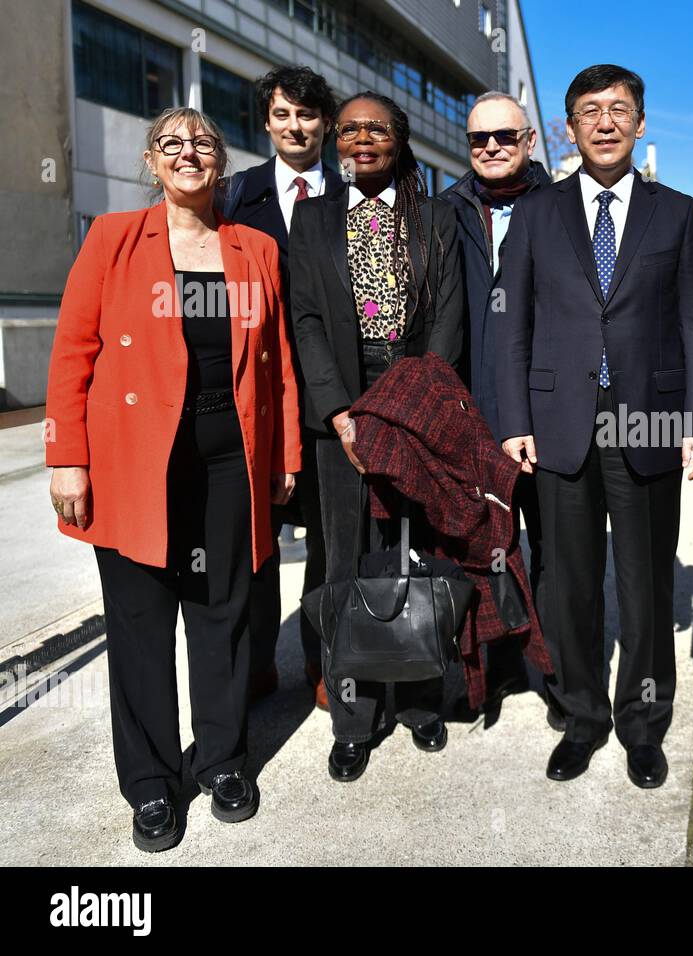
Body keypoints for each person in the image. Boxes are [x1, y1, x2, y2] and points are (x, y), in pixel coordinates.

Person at [44, 107, 301, 852]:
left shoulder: (253, 247)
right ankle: (152, 784)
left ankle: (223, 762)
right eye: (173, 143)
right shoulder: (113, 239)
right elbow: (73, 353)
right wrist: (67, 455)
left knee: (223, 616)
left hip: (228, 458)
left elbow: (276, 362)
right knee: (140, 626)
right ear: (152, 162)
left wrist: (283, 455)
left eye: (204, 143)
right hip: (135, 461)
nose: (190, 153)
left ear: (221, 161)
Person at [495, 64, 693, 788]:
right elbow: (511, 327)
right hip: (558, 424)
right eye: (589, 110)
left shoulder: (676, 212)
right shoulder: (535, 213)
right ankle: (583, 716)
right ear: (568, 126)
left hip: (650, 423)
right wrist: (513, 420)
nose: (604, 122)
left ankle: (644, 724)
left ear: (641, 123)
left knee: (648, 583)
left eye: (619, 109)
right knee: (570, 583)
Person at [290, 91, 465, 783]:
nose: (364, 139)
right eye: (352, 128)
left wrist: (417, 407)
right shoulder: (313, 218)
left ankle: (422, 701)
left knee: (419, 553)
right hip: (342, 418)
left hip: (419, 406)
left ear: (400, 139)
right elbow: (305, 318)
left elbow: (451, 316)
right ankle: (354, 717)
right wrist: (339, 412)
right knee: (346, 563)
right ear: (337, 139)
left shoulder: (438, 215)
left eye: (379, 129)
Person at [223, 65, 342, 711]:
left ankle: (323, 663)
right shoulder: (239, 194)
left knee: (329, 540)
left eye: (308, 114)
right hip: (259, 395)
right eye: (283, 115)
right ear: (267, 123)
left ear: (325, 121)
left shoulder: (353, 196)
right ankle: (260, 660)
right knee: (256, 540)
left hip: (329, 398)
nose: (296, 127)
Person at [439, 91, 554, 723]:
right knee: (478, 547)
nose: (490, 148)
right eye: (479, 139)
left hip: (545, 412)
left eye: (504, 137)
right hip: (470, 410)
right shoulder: (446, 209)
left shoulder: (563, 206)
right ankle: (489, 673)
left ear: (530, 141)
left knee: (554, 554)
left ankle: (560, 678)